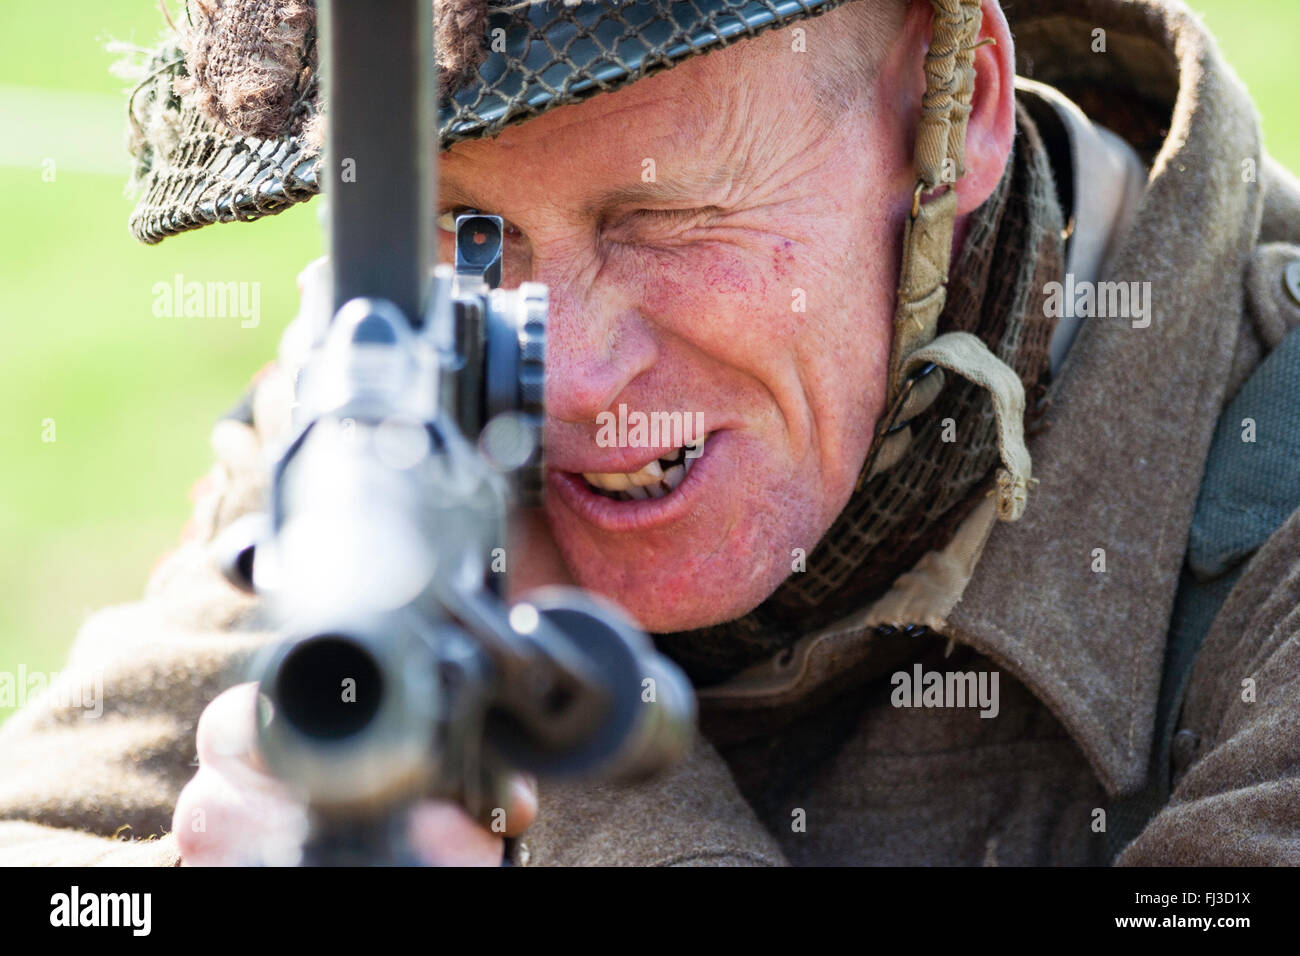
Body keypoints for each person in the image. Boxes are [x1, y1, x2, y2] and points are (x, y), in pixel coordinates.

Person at [2, 0, 1299, 866]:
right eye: (470, 233)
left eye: (664, 221)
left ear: (956, 111)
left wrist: (570, 776)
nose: (560, 375)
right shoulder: (395, 402)